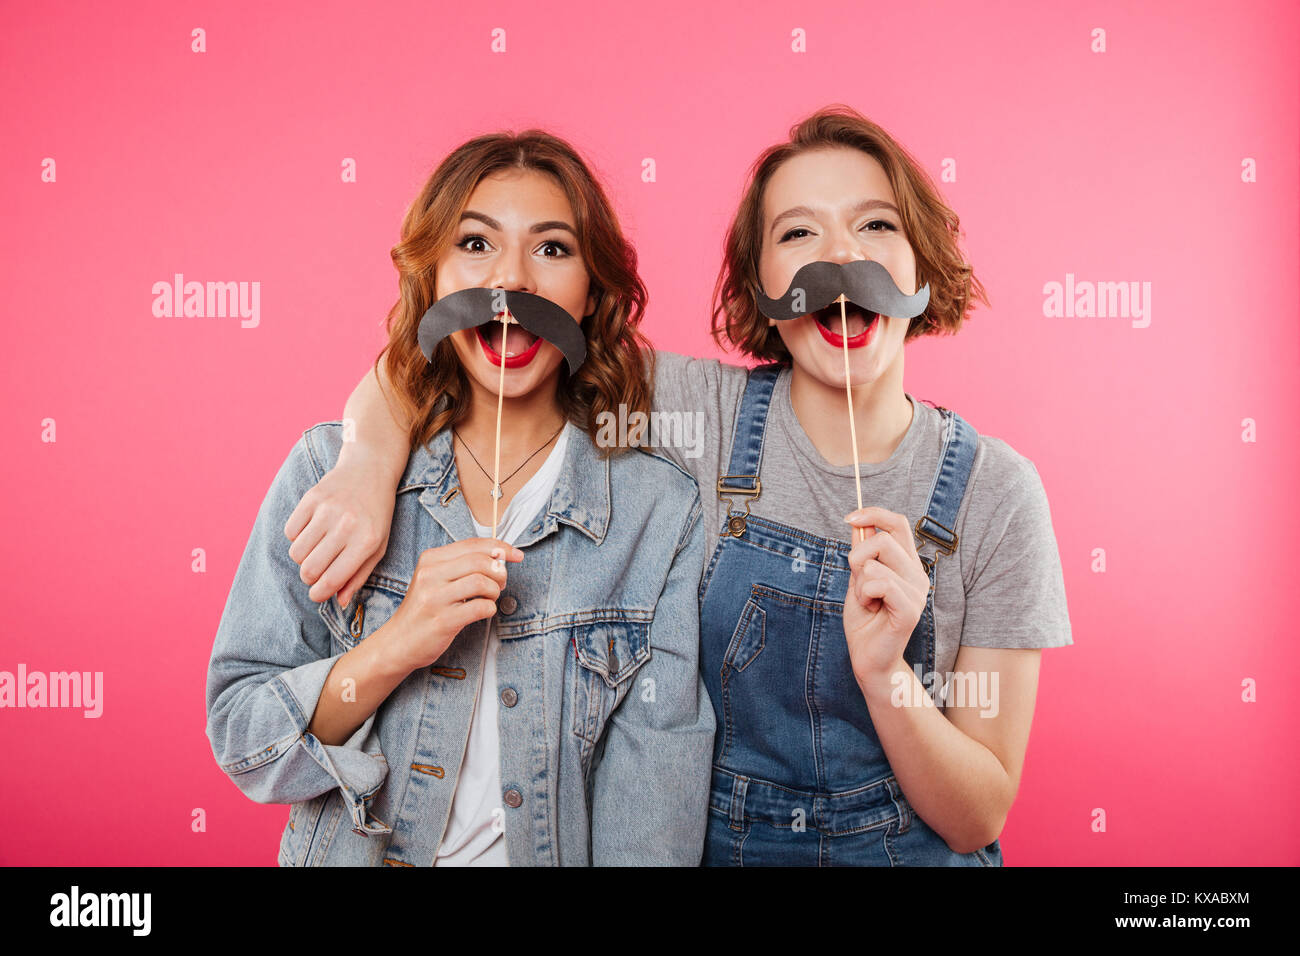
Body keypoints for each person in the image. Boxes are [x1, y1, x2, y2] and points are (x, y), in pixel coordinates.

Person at [284, 105, 1073, 866]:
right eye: (798, 232)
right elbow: (481, 336)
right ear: (757, 278)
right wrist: (364, 459)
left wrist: (888, 678)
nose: (840, 260)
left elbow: (977, 816)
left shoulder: (996, 494)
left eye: (875, 225)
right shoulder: (693, 413)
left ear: (918, 261)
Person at [204, 129, 714, 867]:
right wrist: (395, 647)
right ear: (435, 279)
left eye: (552, 248)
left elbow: (653, 813)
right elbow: (245, 742)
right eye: (476, 245)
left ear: (593, 288)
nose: (514, 283)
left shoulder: (656, 510)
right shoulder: (330, 468)